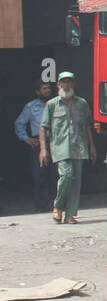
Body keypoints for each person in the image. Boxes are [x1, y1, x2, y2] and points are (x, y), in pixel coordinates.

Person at [39, 72, 95, 225]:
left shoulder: (81, 103)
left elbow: (87, 126)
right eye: (64, 82)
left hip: (79, 146)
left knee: (76, 181)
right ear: (58, 85)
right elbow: (43, 127)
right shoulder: (52, 104)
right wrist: (43, 149)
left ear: (74, 84)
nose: (67, 85)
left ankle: (70, 214)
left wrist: (92, 146)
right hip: (60, 147)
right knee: (67, 175)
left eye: (69, 82)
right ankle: (58, 206)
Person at [14, 81, 56, 213]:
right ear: (37, 92)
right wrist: (26, 138)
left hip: (56, 141)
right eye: (44, 89)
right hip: (38, 142)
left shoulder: (56, 104)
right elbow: (19, 123)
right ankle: (41, 204)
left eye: (48, 88)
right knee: (39, 174)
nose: (47, 91)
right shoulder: (31, 106)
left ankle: (57, 203)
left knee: (56, 173)